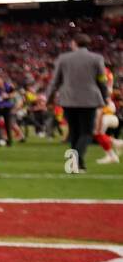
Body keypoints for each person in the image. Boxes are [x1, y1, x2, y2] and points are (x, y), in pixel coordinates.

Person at [48, 36, 109, 174]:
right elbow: (102, 80)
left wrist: (49, 98)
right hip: (89, 99)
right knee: (86, 132)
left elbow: (55, 81)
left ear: (74, 43)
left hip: (68, 99)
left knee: (74, 132)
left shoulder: (63, 58)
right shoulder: (96, 58)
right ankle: (75, 162)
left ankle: (77, 164)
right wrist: (105, 96)